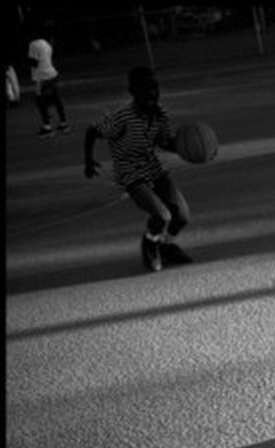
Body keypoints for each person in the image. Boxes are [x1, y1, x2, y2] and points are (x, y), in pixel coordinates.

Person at [84, 66, 193, 273]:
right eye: (146, 89)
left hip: (154, 168)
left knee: (182, 216)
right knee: (162, 216)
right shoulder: (122, 117)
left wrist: (187, 147)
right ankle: (150, 244)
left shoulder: (160, 114)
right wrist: (88, 160)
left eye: (155, 87)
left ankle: (166, 246)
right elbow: (92, 130)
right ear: (133, 91)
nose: (152, 93)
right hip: (130, 173)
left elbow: (164, 142)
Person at [27, 34, 69, 137]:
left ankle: (47, 127)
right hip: (52, 74)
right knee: (56, 99)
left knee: (40, 101)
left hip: (41, 77)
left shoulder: (33, 44)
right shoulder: (46, 43)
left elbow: (34, 63)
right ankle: (64, 124)